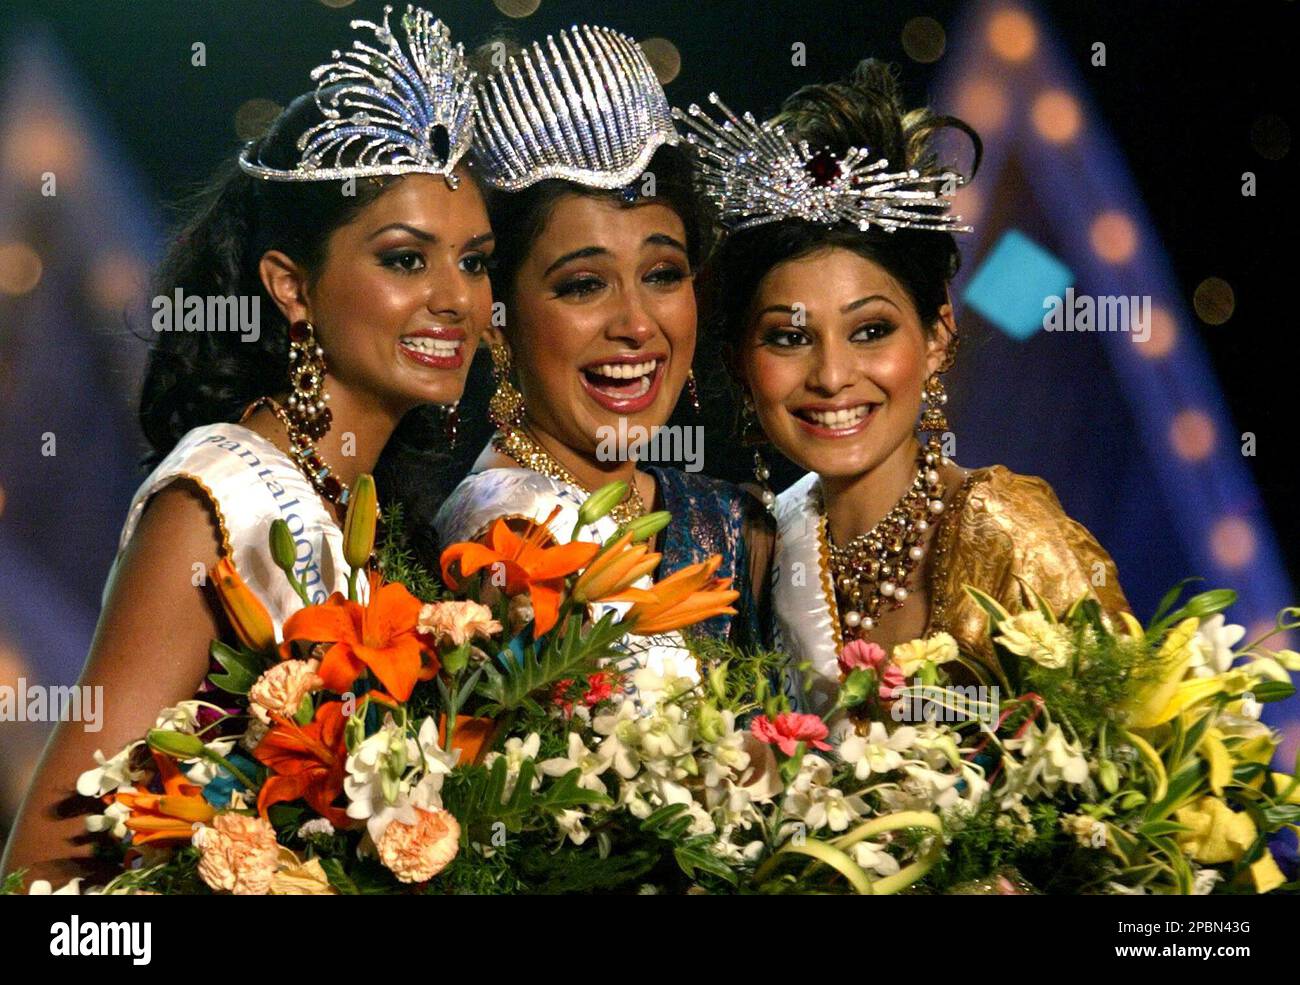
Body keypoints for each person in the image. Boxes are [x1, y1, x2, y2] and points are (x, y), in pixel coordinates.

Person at [1, 10, 493, 887]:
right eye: (406, 261)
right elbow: (43, 871)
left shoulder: (371, 506)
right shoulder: (219, 499)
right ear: (291, 287)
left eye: (475, 260)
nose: (456, 298)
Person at [685, 60, 1129, 714]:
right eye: (788, 336)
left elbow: (1138, 779)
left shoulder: (1005, 536)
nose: (832, 376)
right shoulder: (752, 556)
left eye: (870, 331)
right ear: (740, 365)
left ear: (936, 336)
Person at [435, 26, 772, 676]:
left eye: (663, 274)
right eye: (584, 284)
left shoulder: (728, 520)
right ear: (496, 321)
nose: (636, 325)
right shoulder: (503, 537)